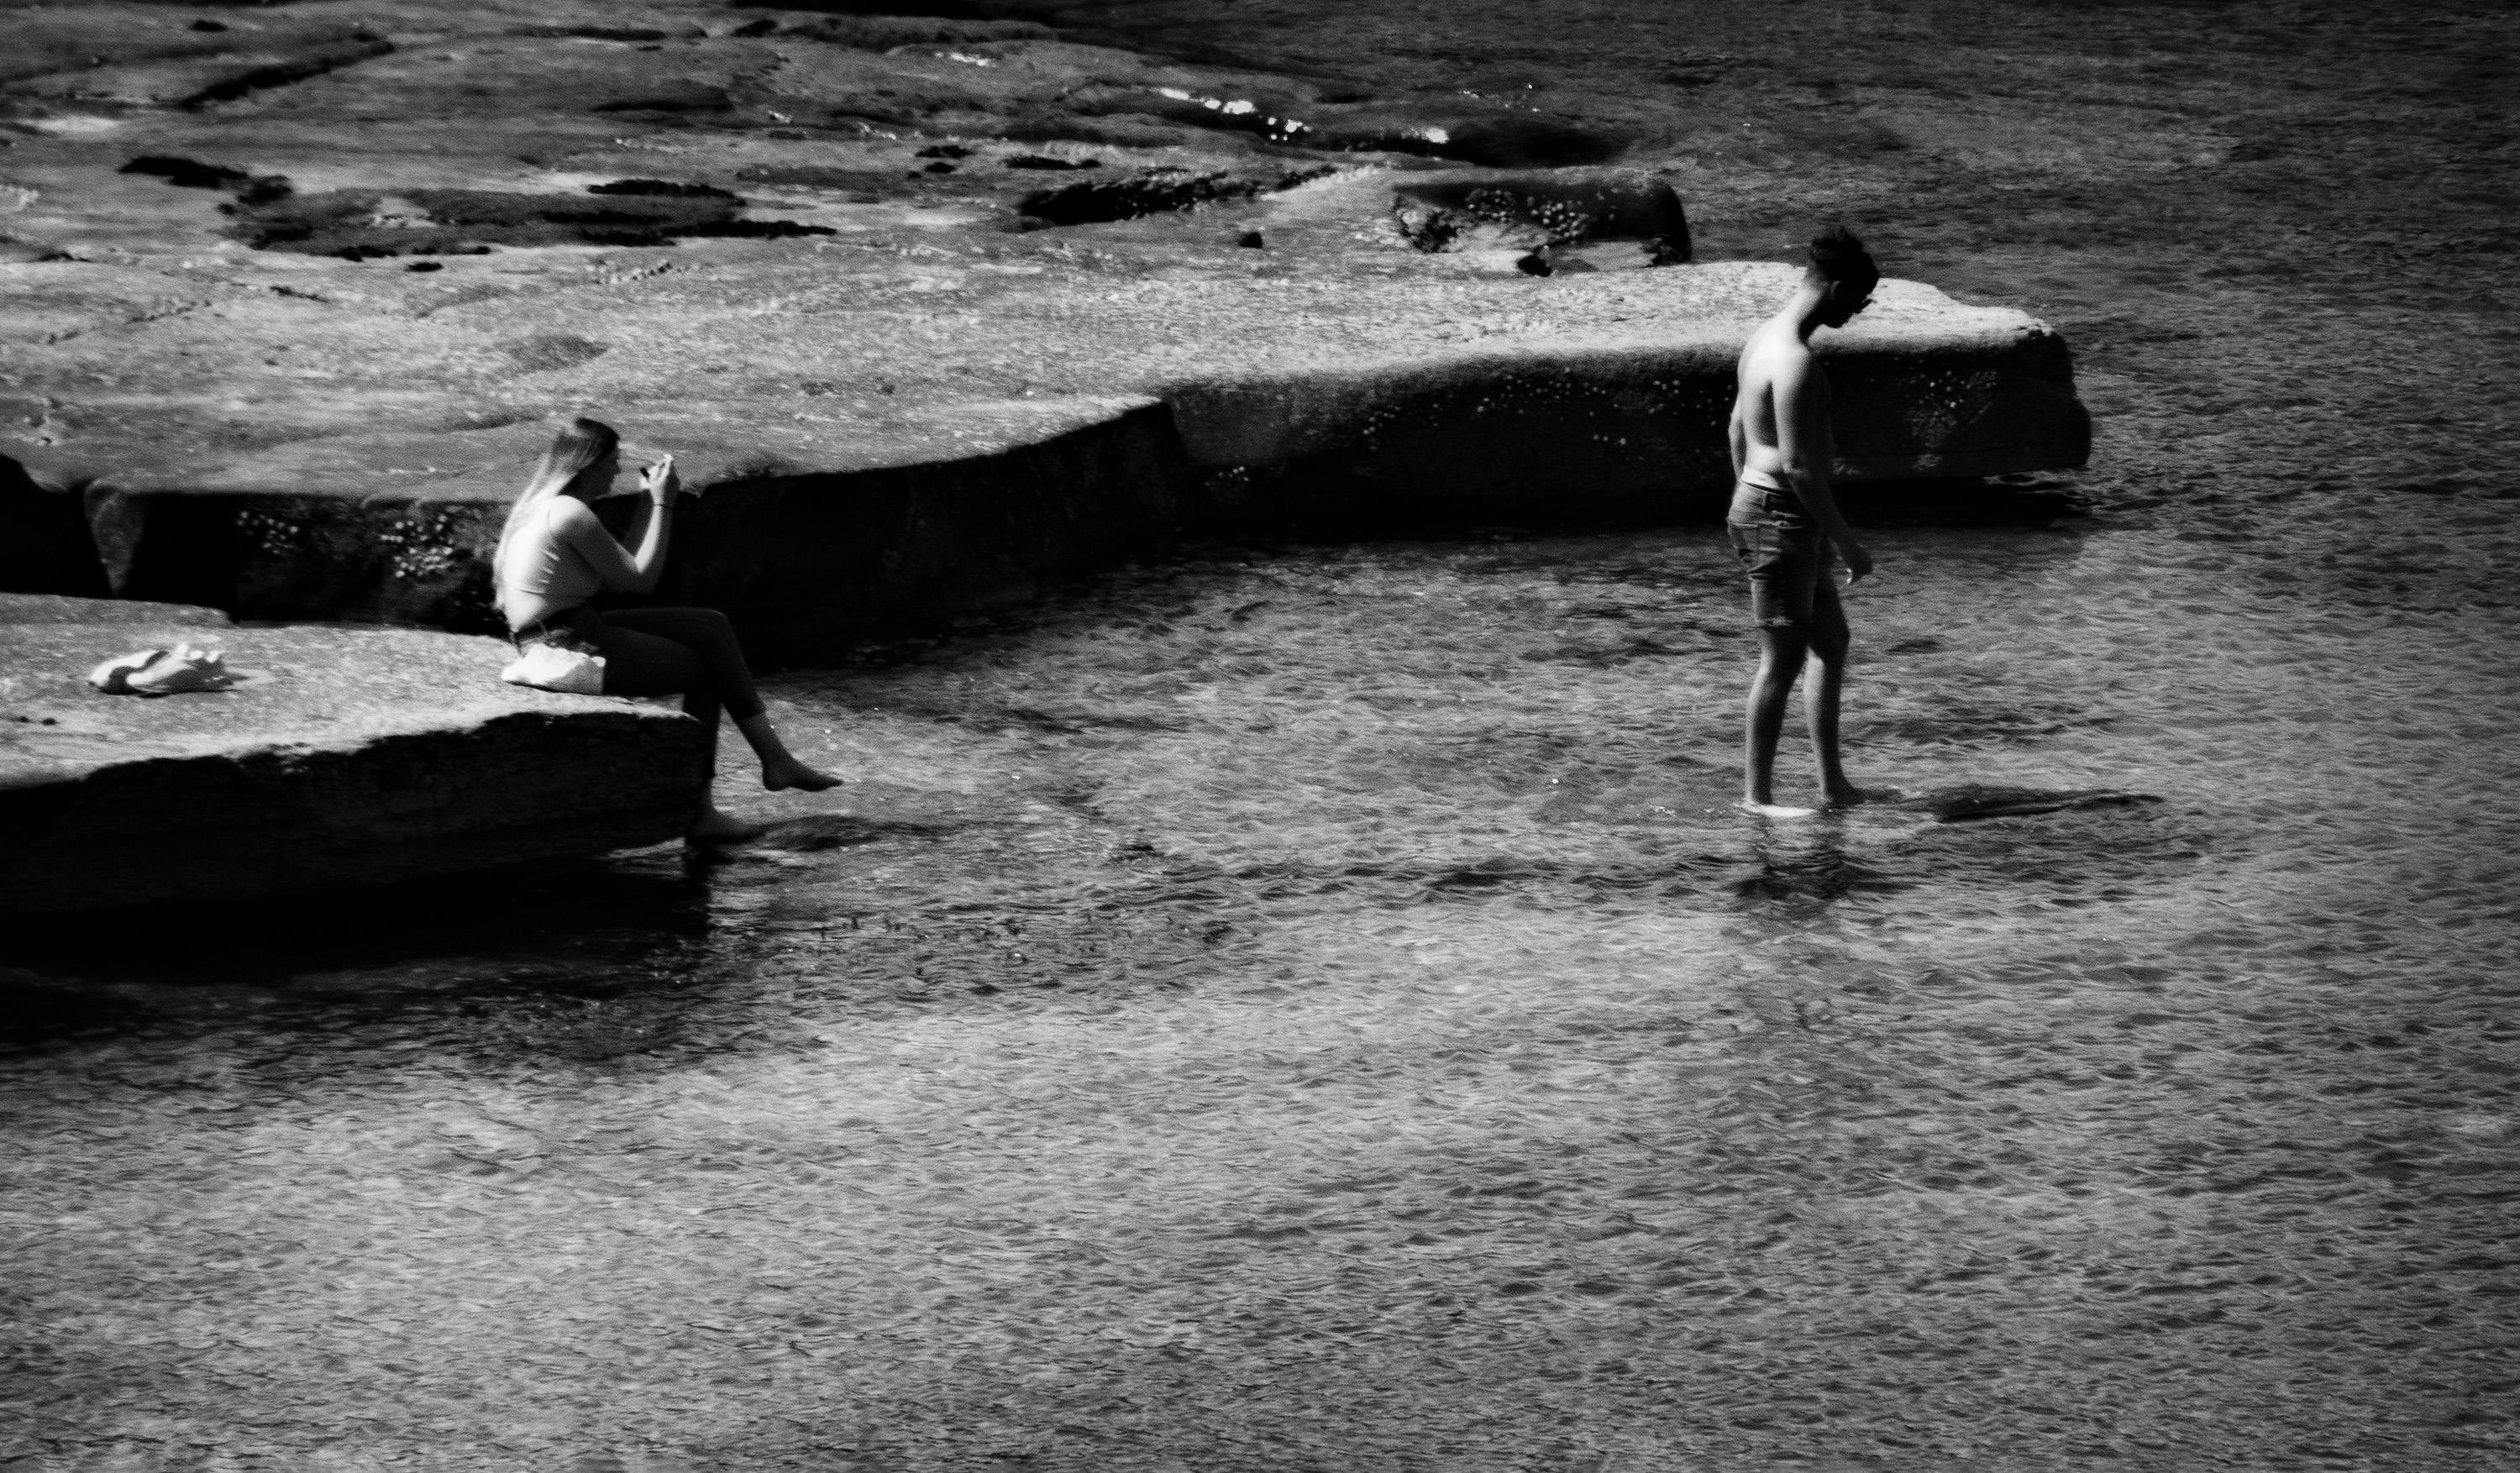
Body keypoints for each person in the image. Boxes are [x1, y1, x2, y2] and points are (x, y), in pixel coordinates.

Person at [494, 417, 840, 843]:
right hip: (559, 649)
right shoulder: (570, 514)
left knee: (711, 627)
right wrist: (663, 504)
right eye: (613, 462)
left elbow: (623, 574)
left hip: (564, 630)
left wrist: (648, 504)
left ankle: (775, 760)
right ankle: (702, 812)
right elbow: (641, 580)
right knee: (706, 671)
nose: (617, 471)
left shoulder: (548, 505)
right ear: (589, 464)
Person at [1725, 226, 1882, 818]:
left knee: (1831, 642)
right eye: (1859, 299)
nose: (1858, 310)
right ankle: (1756, 799)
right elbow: (1798, 466)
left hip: (1774, 513)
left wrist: (1742, 490)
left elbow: (1737, 429)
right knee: (1782, 659)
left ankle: (1832, 785)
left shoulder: (1763, 338)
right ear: (1837, 287)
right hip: (1781, 518)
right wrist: (1849, 545)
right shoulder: (1794, 360)